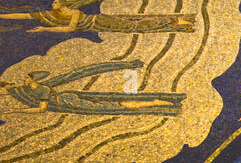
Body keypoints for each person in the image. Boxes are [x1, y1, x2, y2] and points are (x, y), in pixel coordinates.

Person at [0, 60, 184, 115]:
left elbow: (41, 109)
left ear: (32, 79)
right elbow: (79, 72)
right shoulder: (32, 88)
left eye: (26, 77)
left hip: (71, 102)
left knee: (115, 106)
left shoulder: (43, 90)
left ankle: (157, 103)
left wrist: (15, 111)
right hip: (69, 97)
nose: (23, 80)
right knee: (114, 103)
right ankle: (161, 102)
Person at [0, 0, 195, 33]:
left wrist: (44, 28)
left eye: (56, 2)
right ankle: (174, 21)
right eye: (54, 3)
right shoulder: (50, 14)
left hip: (99, 21)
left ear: (64, 4)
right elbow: (25, 16)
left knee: (132, 26)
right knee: (132, 25)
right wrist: (3, 16)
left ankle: (174, 21)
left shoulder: (74, 12)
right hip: (98, 23)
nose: (53, 5)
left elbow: (70, 28)